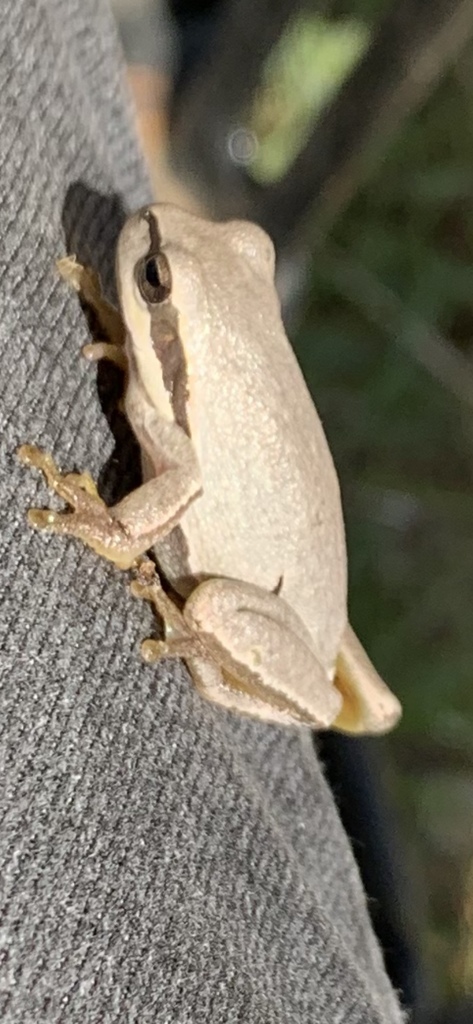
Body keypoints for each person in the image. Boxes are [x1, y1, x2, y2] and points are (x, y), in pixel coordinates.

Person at [0, 2, 403, 1020]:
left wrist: (105, 525)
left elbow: (169, 489)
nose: (151, 237)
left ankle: (227, 660)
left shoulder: (175, 416)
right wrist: (125, 319)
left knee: (214, 608)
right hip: (300, 561)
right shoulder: (181, 352)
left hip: (248, 599)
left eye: (149, 282)